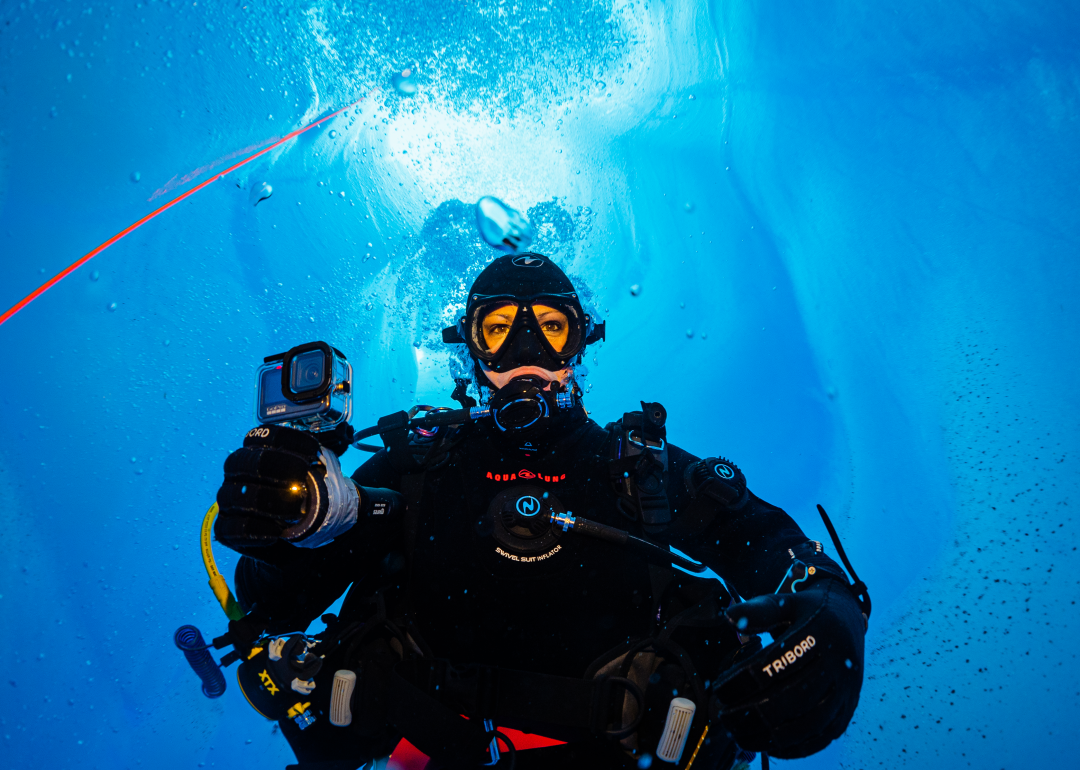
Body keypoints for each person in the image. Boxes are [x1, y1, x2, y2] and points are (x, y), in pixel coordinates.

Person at [213, 253, 868, 770]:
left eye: (550, 328)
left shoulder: (636, 466)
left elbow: (761, 539)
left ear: (578, 345)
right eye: (499, 328)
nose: (525, 348)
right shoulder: (414, 466)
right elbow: (275, 605)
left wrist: (830, 607)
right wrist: (286, 526)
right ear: (472, 349)